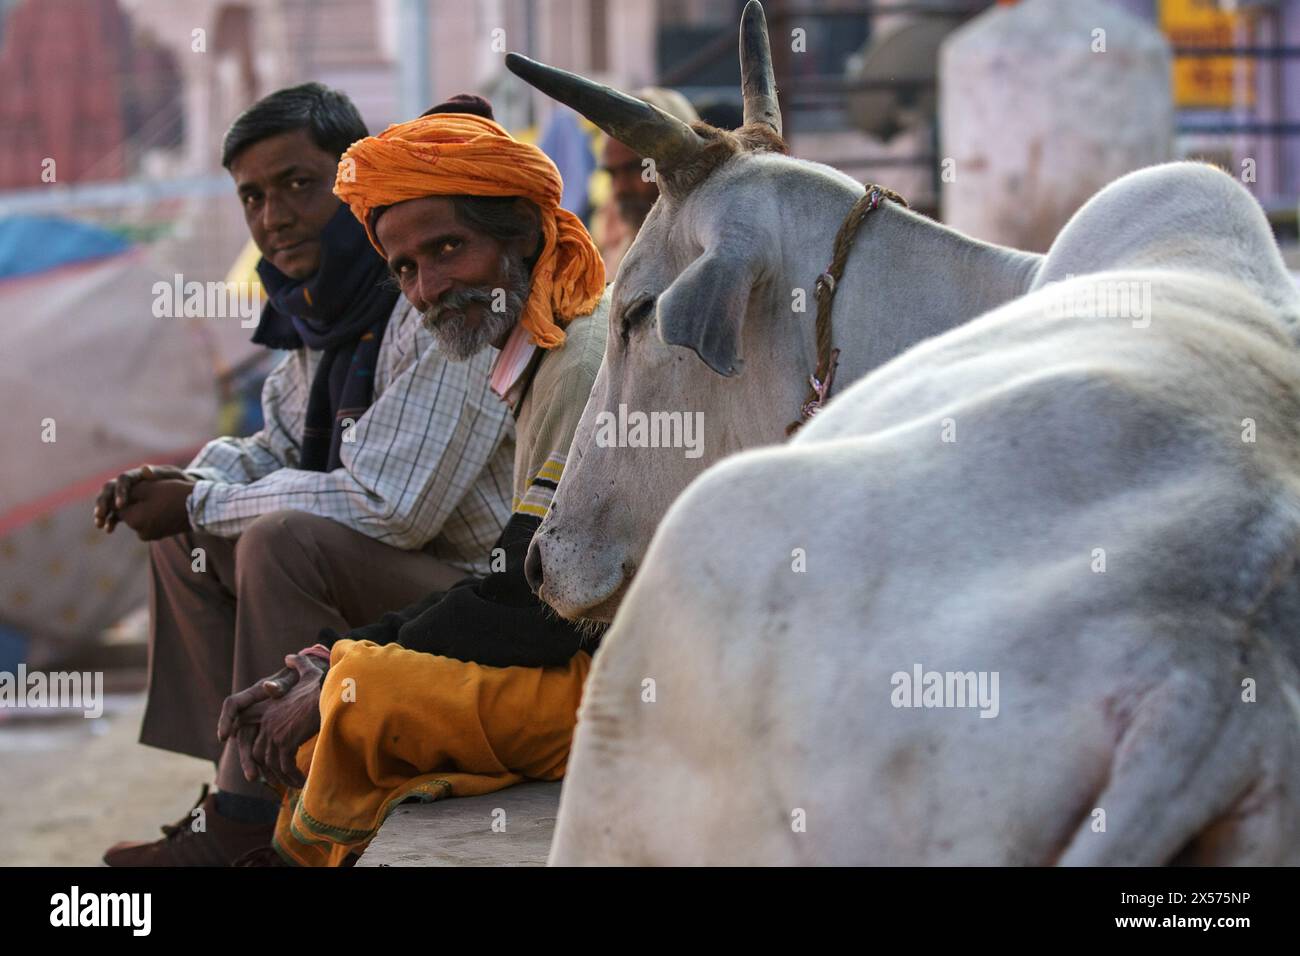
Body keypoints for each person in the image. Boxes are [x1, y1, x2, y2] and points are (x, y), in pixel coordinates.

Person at [100, 87, 516, 866]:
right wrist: (182, 485)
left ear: (354, 182)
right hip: (397, 575)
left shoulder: (434, 297)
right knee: (185, 538)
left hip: (481, 596)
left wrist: (204, 500)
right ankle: (235, 791)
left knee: (278, 540)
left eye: (299, 184)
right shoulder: (315, 314)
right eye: (253, 196)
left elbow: (390, 509)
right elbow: (277, 448)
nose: (274, 216)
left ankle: (253, 820)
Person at [216, 108, 610, 867]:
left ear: (522, 236)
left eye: (449, 249)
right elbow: (517, 575)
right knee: (353, 684)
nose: (427, 288)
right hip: (570, 648)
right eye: (403, 269)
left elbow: (539, 611)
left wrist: (346, 668)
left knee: (366, 701)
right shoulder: (536, 359)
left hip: (618, 680)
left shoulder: (580, 360)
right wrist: (341, 655)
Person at [593, 86, 698, 276]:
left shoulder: (708, 252)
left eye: (637, 168)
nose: (621, 189)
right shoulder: (615, 262)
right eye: (613, 174)